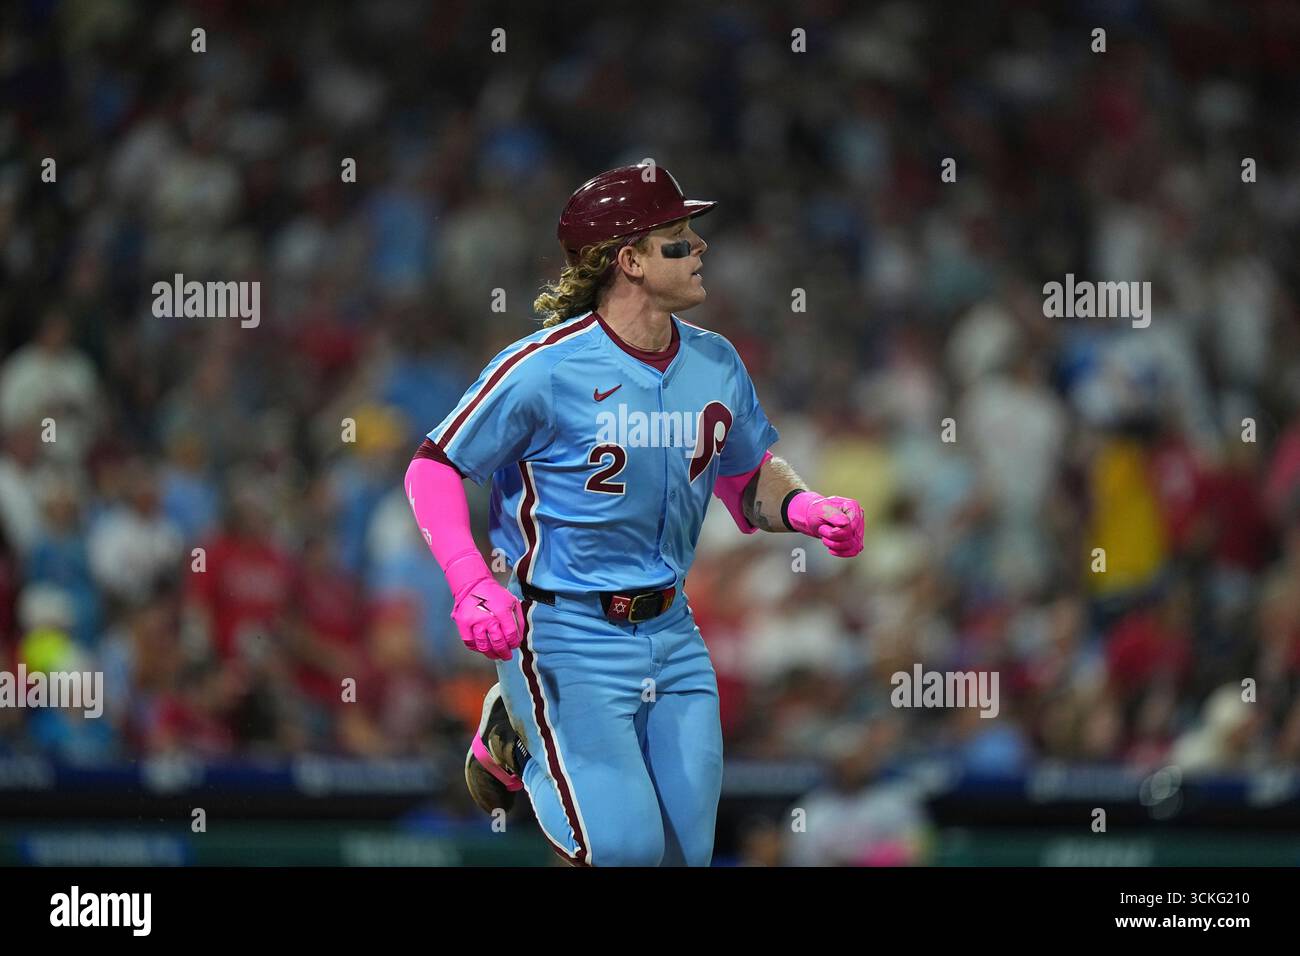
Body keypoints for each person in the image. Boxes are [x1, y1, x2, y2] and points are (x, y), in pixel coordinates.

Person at [405, 163, 865, 866]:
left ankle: (522, 722)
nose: (700, 249)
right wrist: (471, 581)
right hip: (564, 628)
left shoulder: (715, 361)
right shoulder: (544, 369)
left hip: (672, 629)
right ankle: (528, 731)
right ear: (631, 261)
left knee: (683, 853)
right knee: (624, 850)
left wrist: (805, 507)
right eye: (678, 239)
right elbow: (432, 466)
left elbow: (745, 478)